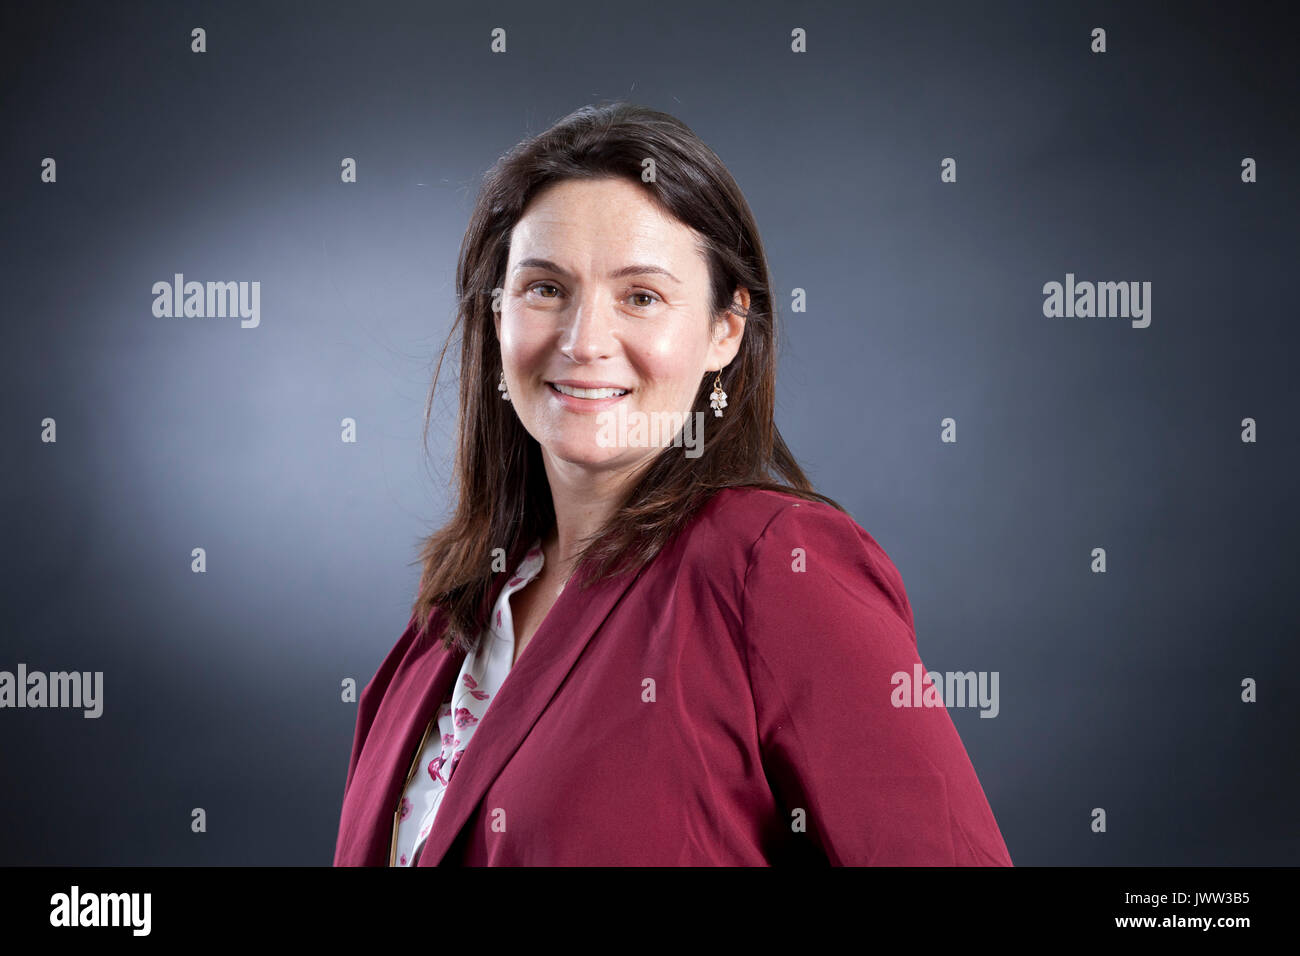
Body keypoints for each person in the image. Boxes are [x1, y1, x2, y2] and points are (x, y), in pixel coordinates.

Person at [333, 101, 1013, 866]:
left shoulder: (776, 568)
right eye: (545, 288)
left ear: (725, 330)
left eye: (641, 296)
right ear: (497, 319)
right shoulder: (446, 622)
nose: (584, 340)